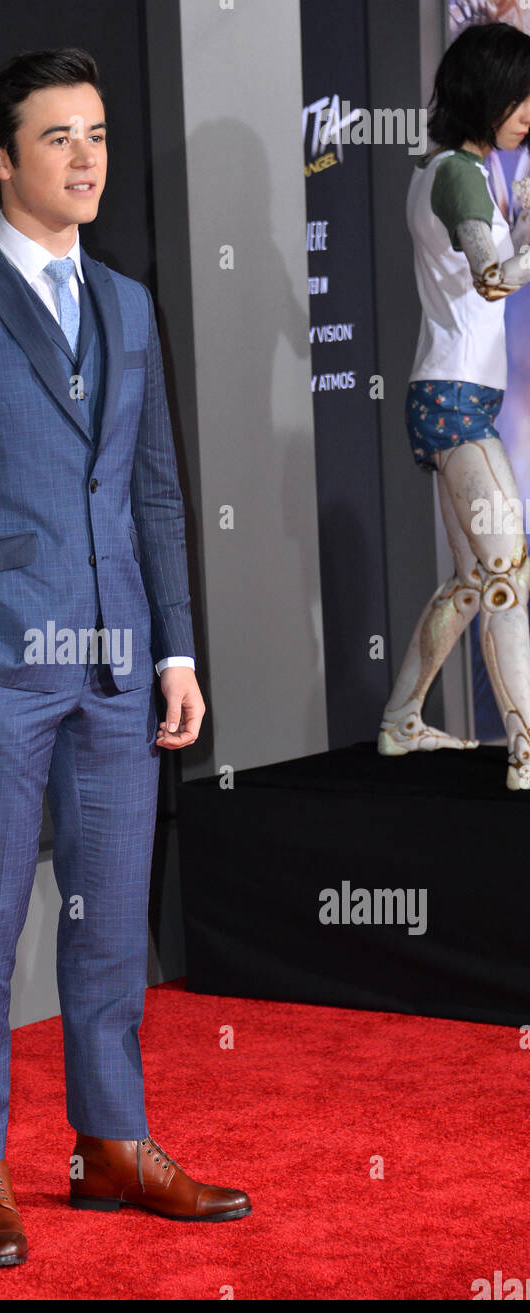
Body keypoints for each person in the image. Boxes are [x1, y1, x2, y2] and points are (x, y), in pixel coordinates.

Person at [0, 48, 251, 1268]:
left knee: (105, 926)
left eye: (95, 134)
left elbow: (153, 495)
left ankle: (110, 1144)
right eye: (57, 138)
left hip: (119, 666)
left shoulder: (130, 306)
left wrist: (176, 649)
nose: (86, 157)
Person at [379, 21, 530, 790]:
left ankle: (402, 717)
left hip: (447, 394)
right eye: (520, 96)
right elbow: (494, 280)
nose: (529, 112)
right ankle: (527, 752)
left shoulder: (440, 168)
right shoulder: (461, 176)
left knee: (475, 580)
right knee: (507, 574)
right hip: (456, 403)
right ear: (485, 92)